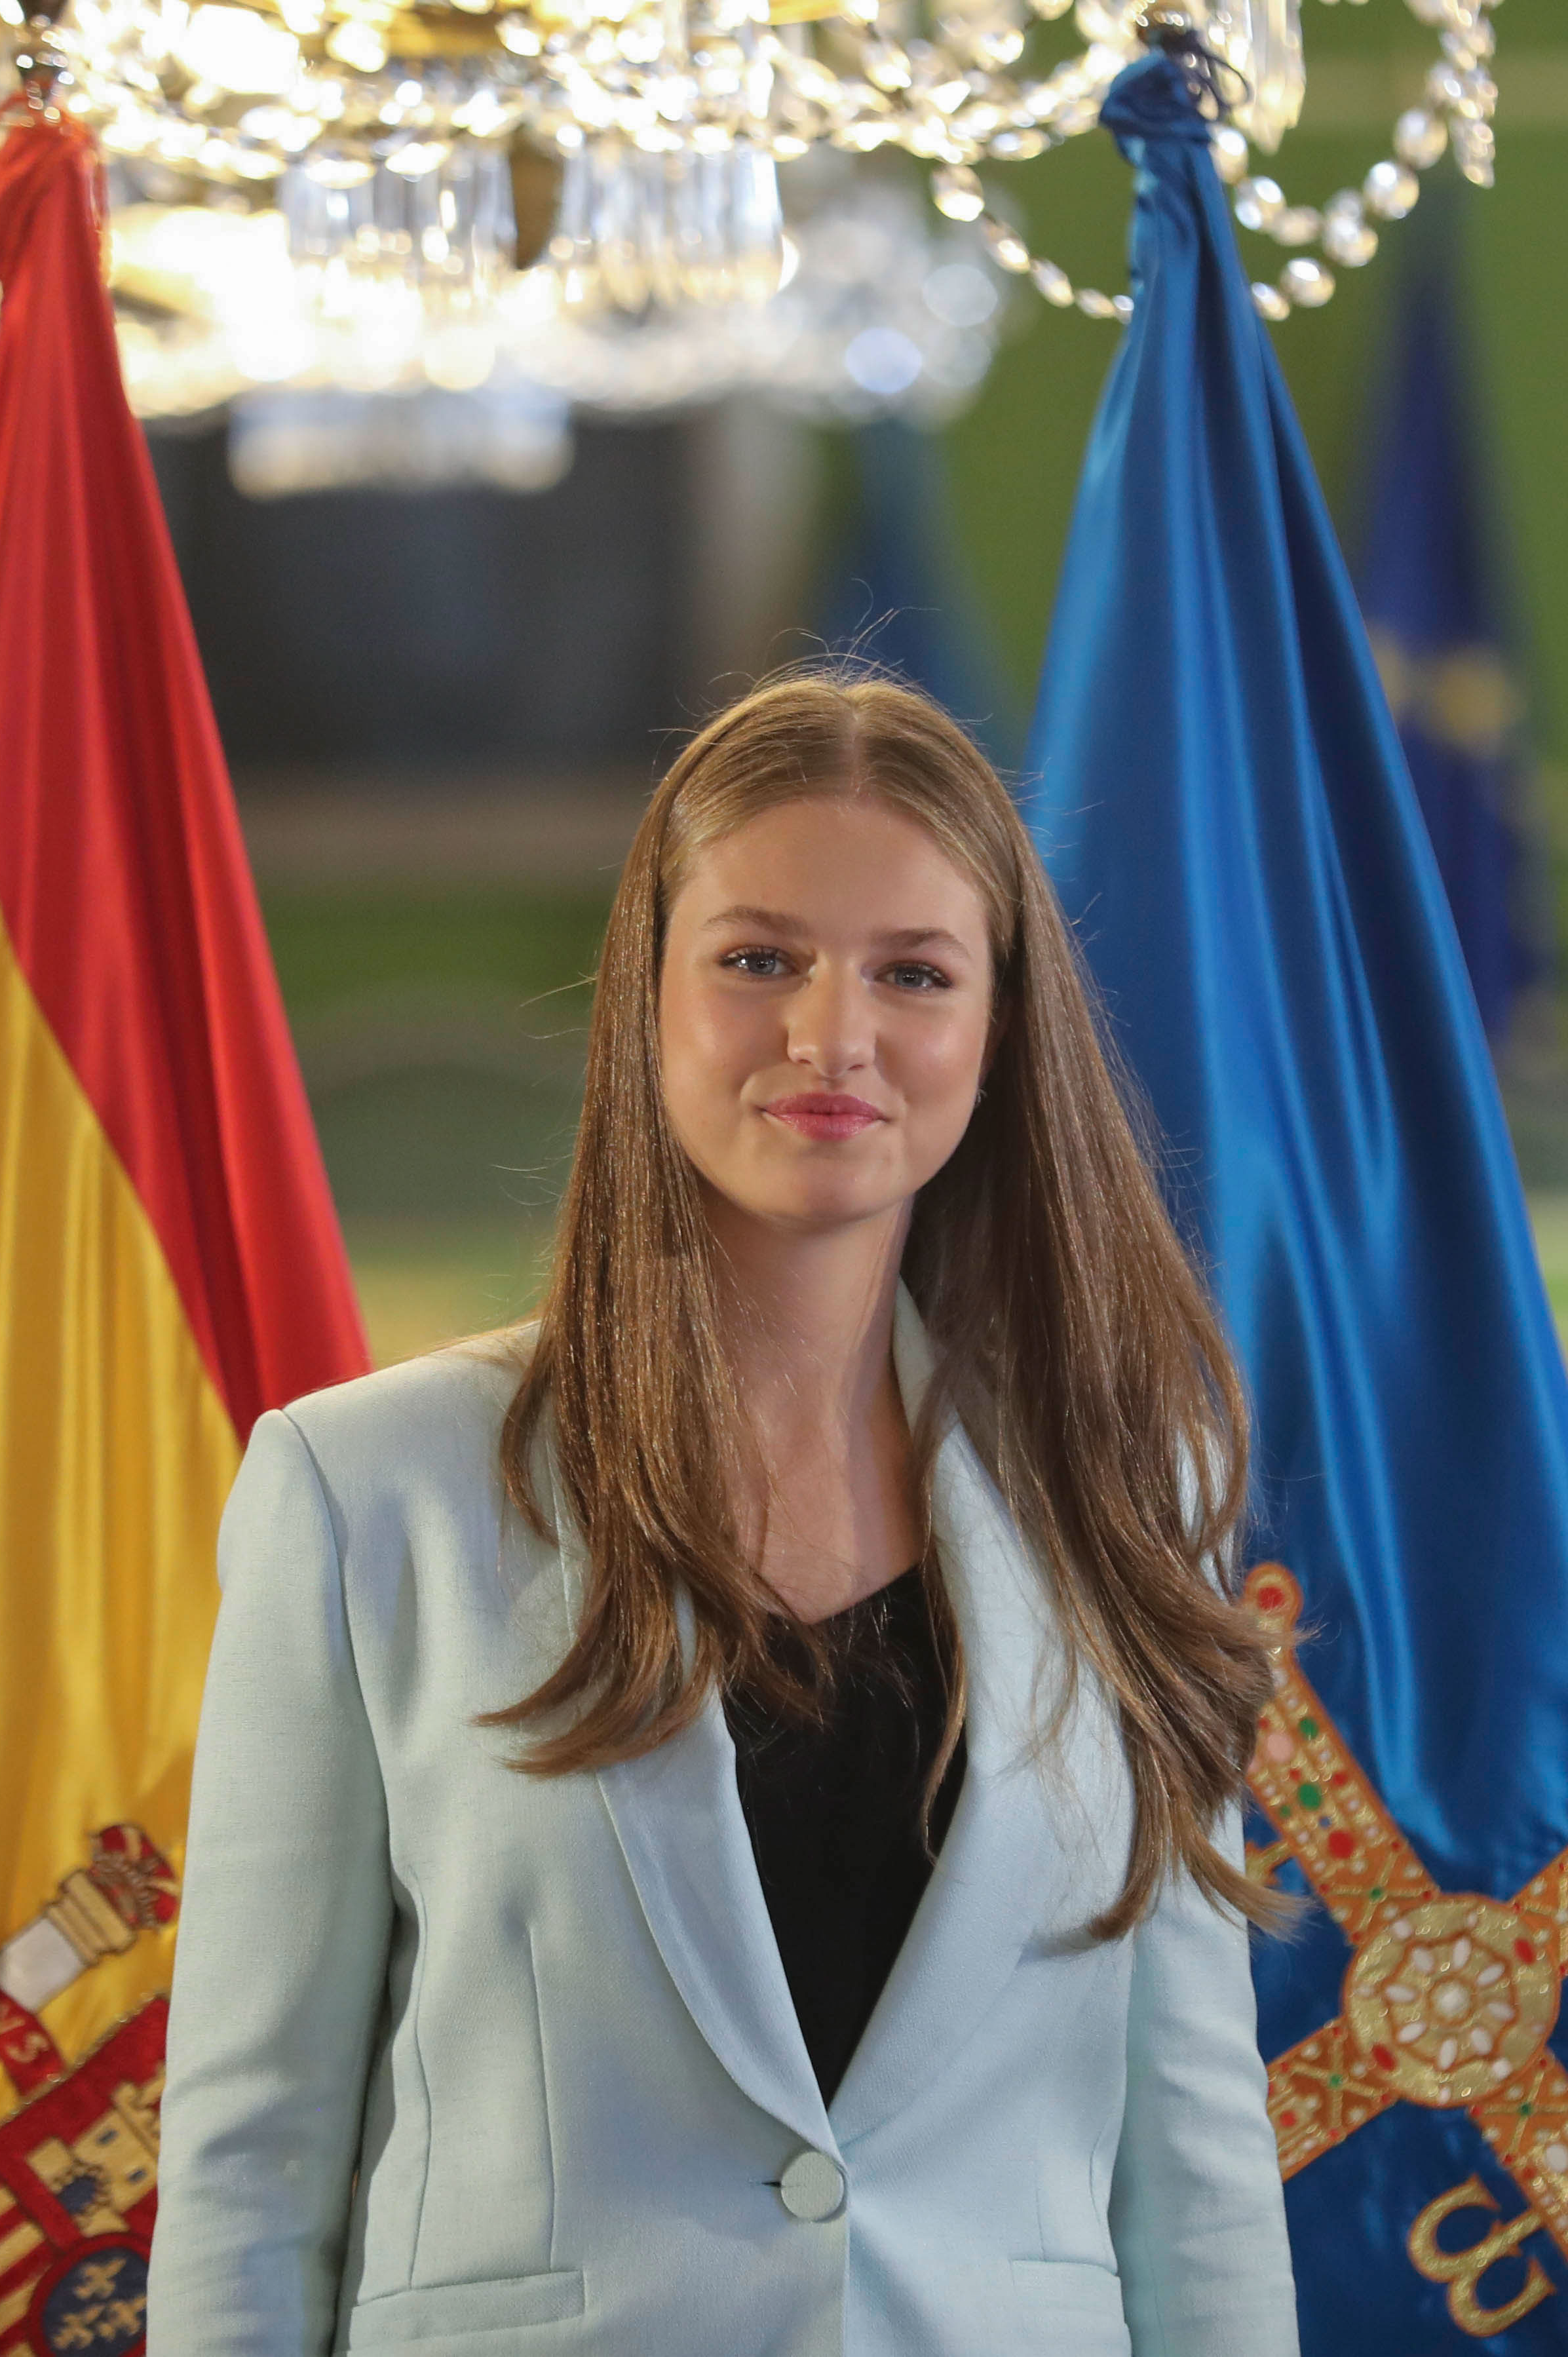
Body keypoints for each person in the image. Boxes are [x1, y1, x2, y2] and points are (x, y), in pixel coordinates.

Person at [149, 670, 1300, 2357]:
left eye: (914, 972)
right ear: (647, 995)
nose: (833, 1035)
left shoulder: (1126, 1495)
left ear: (999, 1030)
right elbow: (251, 2168)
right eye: (760, 959)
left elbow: (1196, 2164)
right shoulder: (362, 1492)